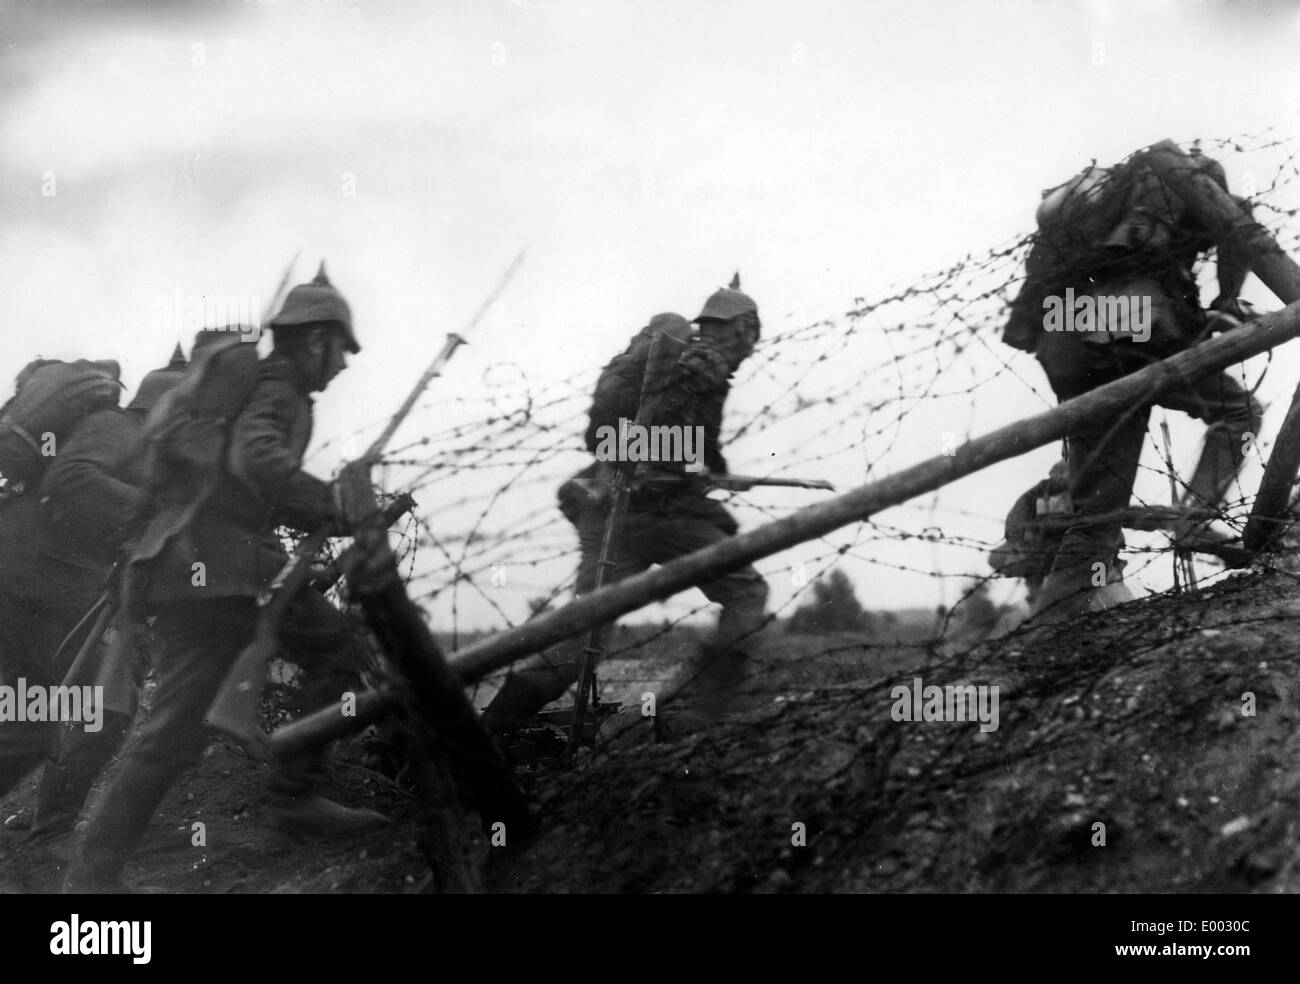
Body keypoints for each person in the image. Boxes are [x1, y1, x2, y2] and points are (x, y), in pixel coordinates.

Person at [67, 266, 385, 893]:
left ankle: (92, 875)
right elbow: (256, 459)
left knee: (172, 734)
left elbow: (240, 478)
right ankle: (296, 794)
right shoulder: (277, 388)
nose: (343, 366)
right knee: (337, 648)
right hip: (222, 574)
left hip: (193, 569)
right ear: (314, 340)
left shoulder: (255, 388)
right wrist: (332, 505)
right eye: (340, 350)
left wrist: (315, 509)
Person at [480, 280, 770, 731]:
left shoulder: (674, 359)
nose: (750, 350)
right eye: (750, 337)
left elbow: (676, 439)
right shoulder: (706, 361)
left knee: (581, 639)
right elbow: (670, 434)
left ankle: (486, 731)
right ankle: (696, 714)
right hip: (659, 511)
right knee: (747, 592)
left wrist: (710, 468)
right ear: (742, 329)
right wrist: (692, 468)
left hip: (613, 509)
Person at [1003, 142, 1266, 621]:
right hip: (1131, 338)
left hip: (1068, 345)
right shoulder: (1194, 184)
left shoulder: (1099, 221)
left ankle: (1040, 643)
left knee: (1096, 518)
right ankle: (1196, 520)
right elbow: (1239, 229)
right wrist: (1227, 302)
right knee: (1238, 411)